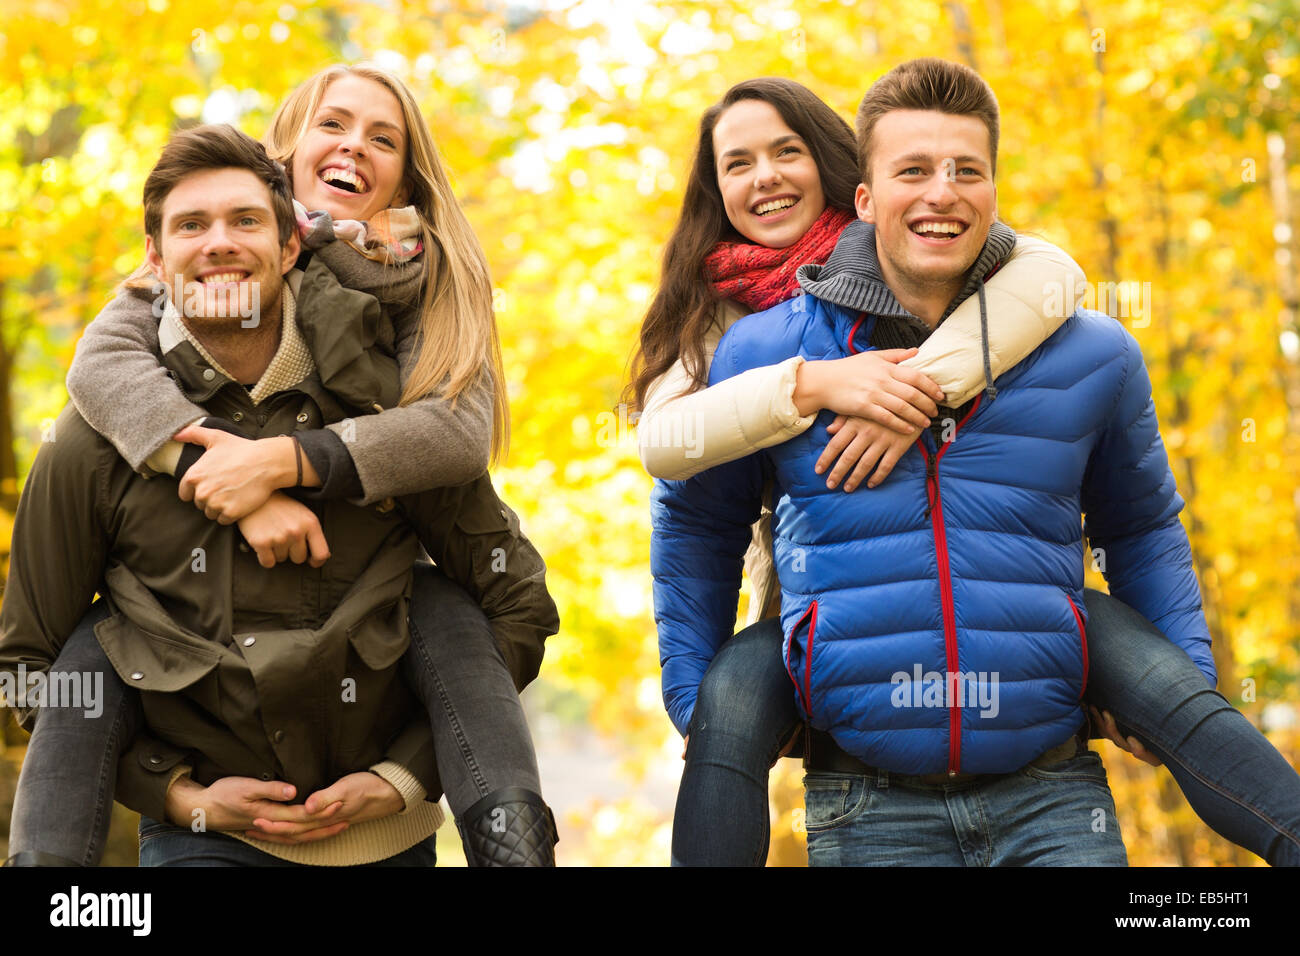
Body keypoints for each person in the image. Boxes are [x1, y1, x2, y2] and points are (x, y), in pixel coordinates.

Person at [645, 63, 1300, 866]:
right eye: (912, 170)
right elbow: (697, 523)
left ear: (995, 187)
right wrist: (691, 697)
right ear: (865, 196)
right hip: (865, 801)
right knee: (732, 696)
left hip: (1054, 797)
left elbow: (1139, 527)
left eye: (967, 170)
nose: (941, 193)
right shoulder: (762, 348)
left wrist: (1179, 680)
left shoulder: (1093, 352)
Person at [2, 97, 558, 865]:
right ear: (155, 264)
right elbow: (25, 674)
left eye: (245, 221)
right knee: (90, 651)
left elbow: (518, 605)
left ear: (293, 245)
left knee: (443, 604)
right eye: (191, 226)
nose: (219, 245)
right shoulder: (93, 441)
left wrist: (405, 776)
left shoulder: (386, 415)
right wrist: (174, 795)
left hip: (385, 839)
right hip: (207, 841)